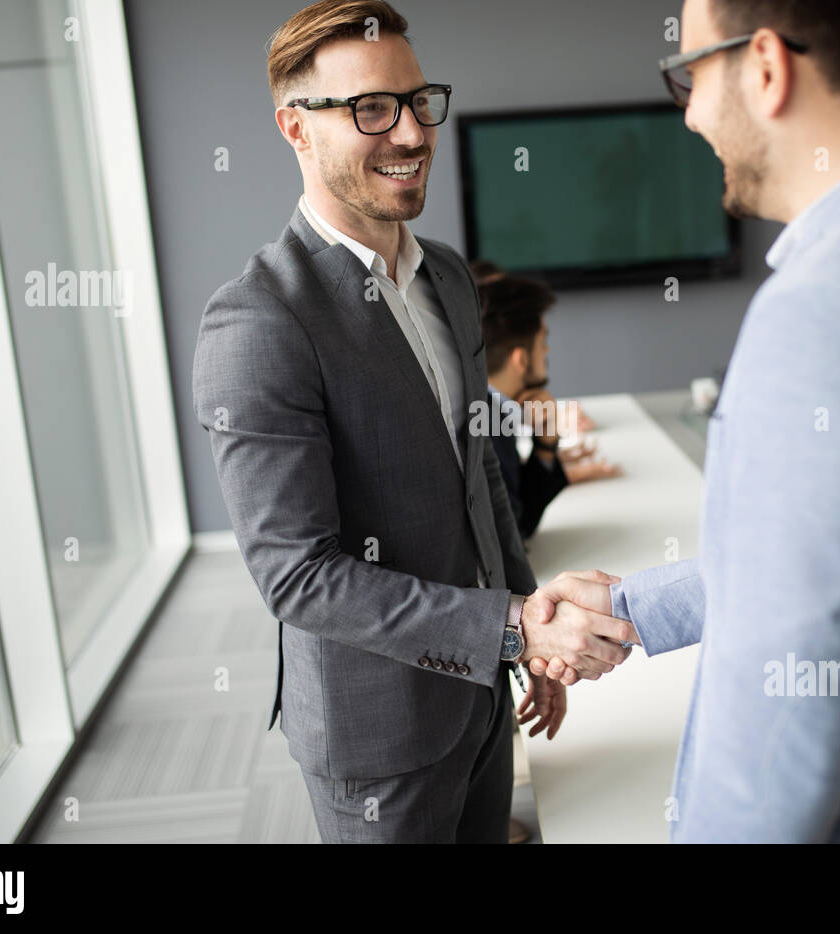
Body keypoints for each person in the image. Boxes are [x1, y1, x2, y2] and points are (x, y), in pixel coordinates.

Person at [526, 0, 840, 843]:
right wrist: (638, 607)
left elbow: (786, 733)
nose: (687, 110)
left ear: (764, 65)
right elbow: (838, 564)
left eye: (690, 75)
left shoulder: (824, 312)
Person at [191, 0, 634, 844]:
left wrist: (526, 626)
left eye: (417, 99)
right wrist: (506, 628)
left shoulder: (451, 280)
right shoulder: (258, 322)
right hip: (379, 738)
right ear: (296, 128)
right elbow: (298, 576)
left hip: (482, 695)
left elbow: (480, 482)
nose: (409, 131)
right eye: (369, 109)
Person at [472, 263, 622, 539]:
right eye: (543, 342)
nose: (547, 350)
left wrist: (545, 441)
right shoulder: (488, 425)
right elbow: (518, 530)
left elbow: (519, 515)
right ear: (521, 359)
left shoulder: (488, 409)